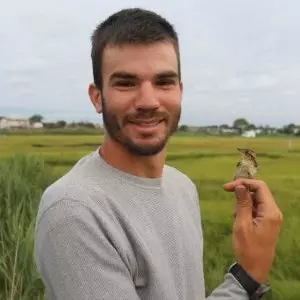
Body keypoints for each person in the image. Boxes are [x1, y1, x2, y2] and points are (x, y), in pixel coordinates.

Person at [34, 8, 283, 300]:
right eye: (126, 83)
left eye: (164, 82)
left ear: (180, 90)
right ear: (97, 96)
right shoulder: (74, 211)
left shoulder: (183, 186)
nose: (149, 101)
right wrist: (246, 278)